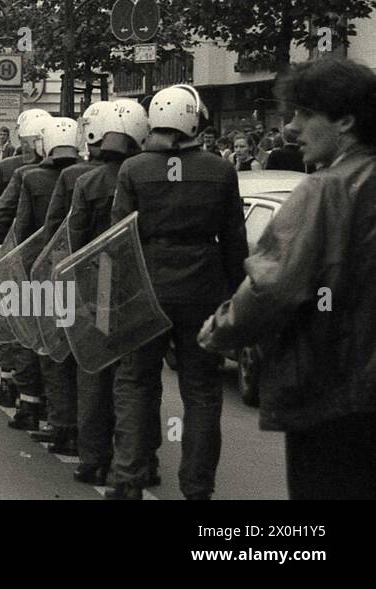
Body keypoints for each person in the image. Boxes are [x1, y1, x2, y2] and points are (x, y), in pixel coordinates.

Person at [201, 58, 376, 499]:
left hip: (331, 390)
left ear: (346, 122)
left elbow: (274, 286)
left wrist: (218, 331)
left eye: (303, 114)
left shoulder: (324, 191)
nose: (290, 129)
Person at [107, 84, 248, 500]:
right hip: (203, 288)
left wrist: (116, 296)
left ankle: (129, 478)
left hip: (147, 287)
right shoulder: (221, 170)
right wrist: (235, 297)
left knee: (136, 382)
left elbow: (120, 239)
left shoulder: (133, 170)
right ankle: (198, 487)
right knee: (202, 392)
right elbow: (235, 241)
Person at [66, 100, 157, 487]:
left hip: (97, 284)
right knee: (140, 379)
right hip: (139, 284)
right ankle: (139, 460)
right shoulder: (149, 174)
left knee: (94, 372)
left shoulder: (85, 181)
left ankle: (92, 458)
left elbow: (73, 236)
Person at [8, 116, 83, 441]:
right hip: (86, 274)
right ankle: (78, 422)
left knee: (39, 341)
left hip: (41, 271)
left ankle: (36, 408)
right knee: (77, 348)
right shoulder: (91, 174)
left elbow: (22, 227)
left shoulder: (30, 177)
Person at [0, 108, 52, 408]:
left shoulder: (10, 168)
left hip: (15, 254)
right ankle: (48, 396)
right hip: (55, 259)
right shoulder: (77, 168)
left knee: (12, 322)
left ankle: (9, 382)